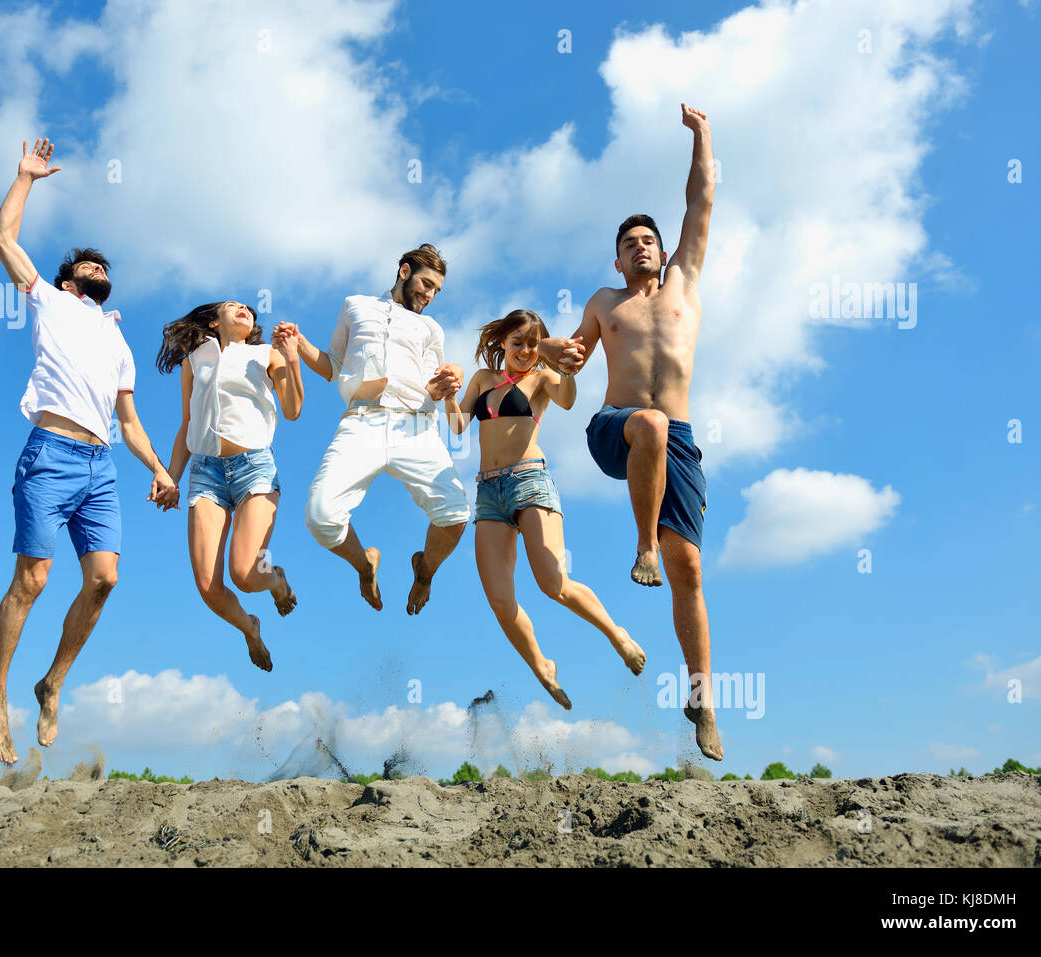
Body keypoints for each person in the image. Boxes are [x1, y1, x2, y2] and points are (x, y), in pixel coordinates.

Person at [0, 138, 179, 765]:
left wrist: (159, 468)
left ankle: (53, 682)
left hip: (100, 466)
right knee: (32, 580)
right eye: (86, 265)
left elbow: (130, 419)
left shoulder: (118, 343)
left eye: (102, 265)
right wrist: (25, 179)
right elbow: (2, 237)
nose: (97, 268)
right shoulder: (51, 300)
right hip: (50, 453)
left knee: (104, 579)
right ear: (69, 280)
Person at [540, 104, 724, 760]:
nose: (639, 246)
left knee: (691, 567)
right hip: (614, 429)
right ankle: (642, 547)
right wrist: (560, 356)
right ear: (617, 262)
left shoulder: (685, 287)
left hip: (675, 441)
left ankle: (702, 698)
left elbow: (701, 199)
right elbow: (575, 359)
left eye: (648, 239)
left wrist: (702, 133)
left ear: (664, 252)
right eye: (628, 243)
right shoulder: (603, 302)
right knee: (646, 421)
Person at [446, 309, 646, 709]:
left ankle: (617, 635)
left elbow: (567, 401)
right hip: (488, 492)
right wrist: (449, 392)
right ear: (502, 342)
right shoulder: (483, 379)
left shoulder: (542, 376)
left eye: (532, 344)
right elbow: (457, 427)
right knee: (500, 600)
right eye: (516, 342)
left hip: (529, 480)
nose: (524, 350)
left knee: (553, 583)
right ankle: (541, 665)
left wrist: (566, 369)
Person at [272, 244, 469, 615]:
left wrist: (445, 383)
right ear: (405, 272)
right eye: (426, 284)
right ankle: (365, 565)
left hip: (415, 427)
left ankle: (424, 570)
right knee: (320, 517)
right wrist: (298, 344)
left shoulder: (431, 328)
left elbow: (432, 385)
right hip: (362, 421)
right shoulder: (355, 306)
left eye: (437, 291)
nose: (430, 295)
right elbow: (332, 365)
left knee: (456, 515)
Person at [157, 300, 303, 672]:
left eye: (248, 308)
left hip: (254, 467)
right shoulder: (194, 361)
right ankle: (250, 628)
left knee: (245, 573)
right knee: (209, 588)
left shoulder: (265, 354)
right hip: (205, 473)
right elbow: (187, 424)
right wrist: (170, 477)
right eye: (232, 306)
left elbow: (292, 409)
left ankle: (277, 579)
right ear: (213, 321)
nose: (244, 309)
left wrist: (291, 358)